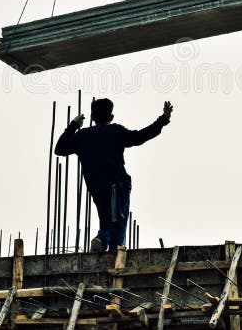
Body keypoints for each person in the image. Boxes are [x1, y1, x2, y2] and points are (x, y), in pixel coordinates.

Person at [55, 98, 173, 251]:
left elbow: (59, 149)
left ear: (92, 117)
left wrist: (74, 126)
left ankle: (102, 240)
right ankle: (106, 241)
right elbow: (140, 136)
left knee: (107, 220)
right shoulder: (115, 131)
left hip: (96, 187)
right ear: (111, 117)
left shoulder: (82, 136)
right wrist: (163, 119)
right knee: (117, 222)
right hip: (117, 184)